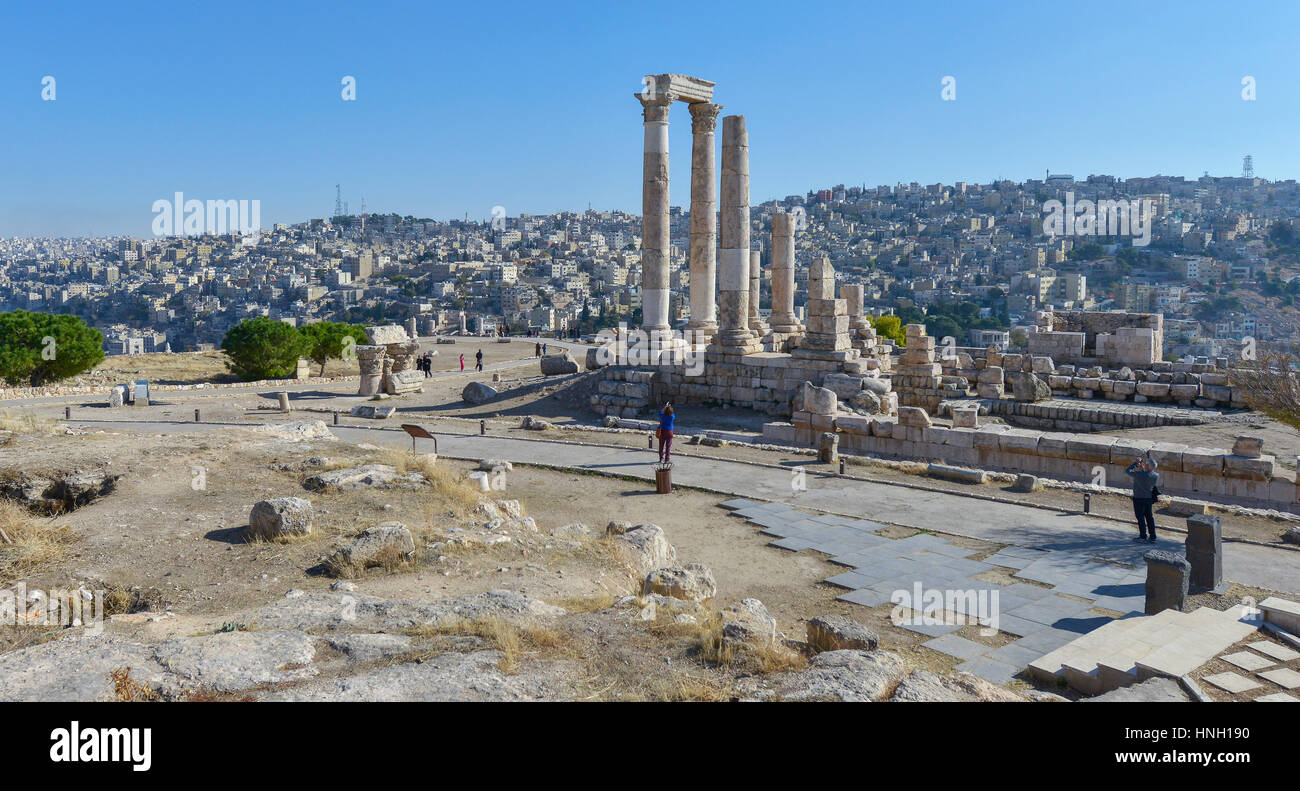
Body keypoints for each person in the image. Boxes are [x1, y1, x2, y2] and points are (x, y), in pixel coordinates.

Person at [1125, 457, 1160, 543]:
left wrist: (1136, 463)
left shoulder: (1139, 474)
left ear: (1148, 465)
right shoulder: (1156, 476)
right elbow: (1146, 475)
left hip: (1138, 498)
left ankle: (1143, 536)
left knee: (1140, 518)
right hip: (1148, 499)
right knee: (1149, 518)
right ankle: (1153, 537)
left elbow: (1128, 471)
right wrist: (1143, 469)